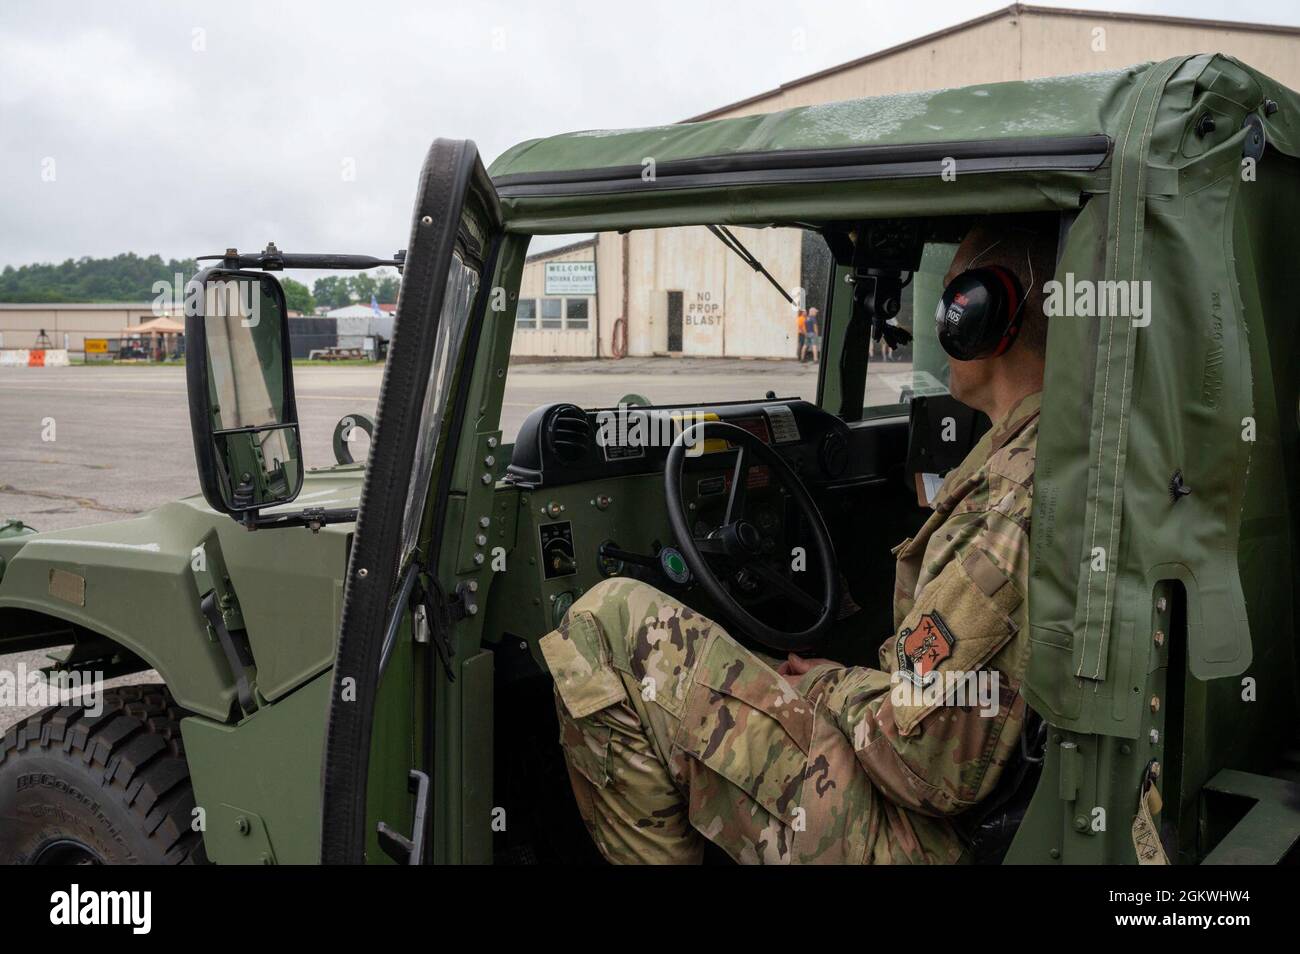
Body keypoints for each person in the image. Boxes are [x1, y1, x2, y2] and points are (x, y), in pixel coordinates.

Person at [539, 214, 1056, 864]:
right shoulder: (1052, 453)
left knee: (606, 623)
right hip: (980, 808)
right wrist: (842, 684)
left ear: (980, 315)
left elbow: (925, 766)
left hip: (921, 838)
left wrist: (832, 686)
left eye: (950, 300)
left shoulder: (1005, 506)